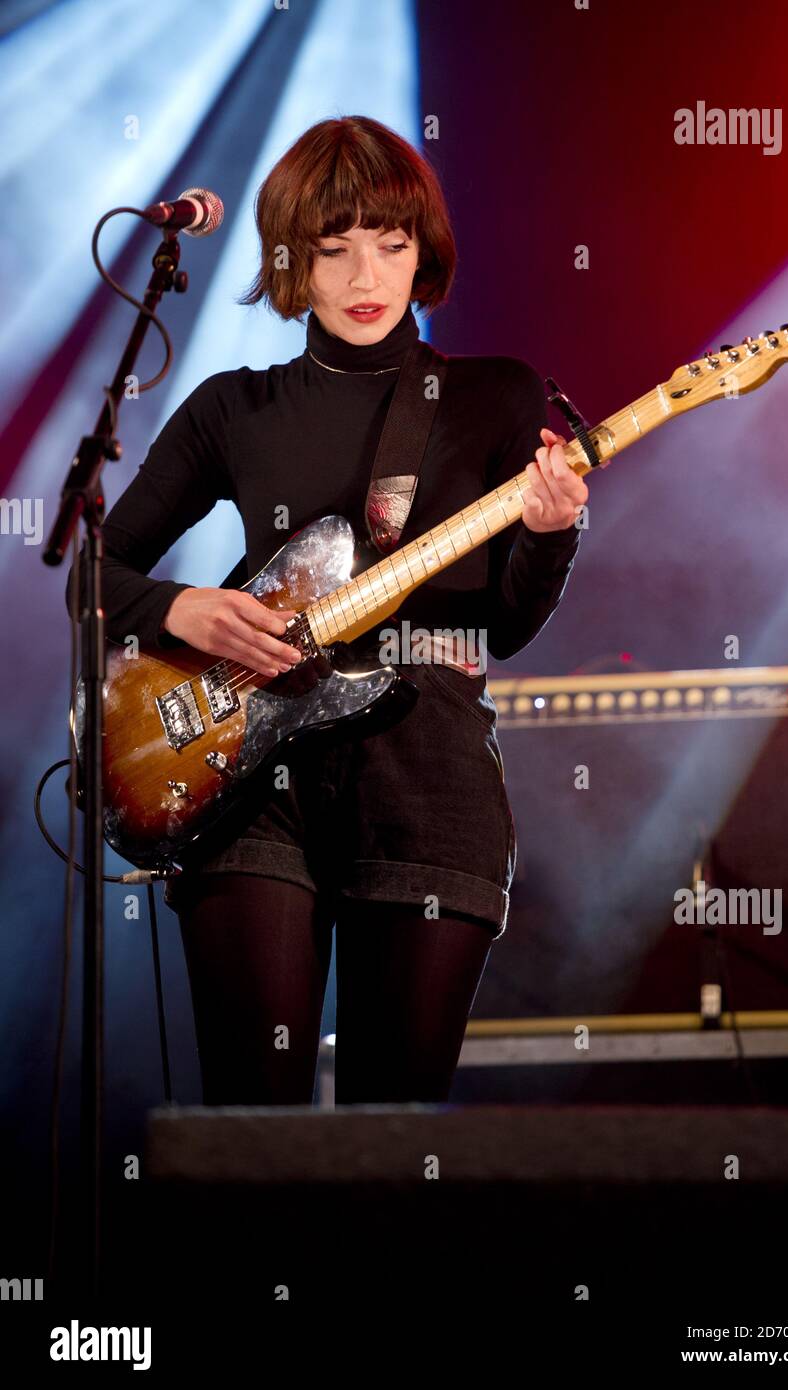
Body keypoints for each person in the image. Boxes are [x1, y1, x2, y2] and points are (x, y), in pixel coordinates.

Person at [67, 115, 587, 1107]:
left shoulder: (494, 396)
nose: (364, 275)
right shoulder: (234, 406)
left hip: (427, 773)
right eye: (333, 247)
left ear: (421, 251)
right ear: (290, 259)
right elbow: (93, 570)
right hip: (250, 770)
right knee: (252, 1123)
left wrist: (552, 529)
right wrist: (187, 613)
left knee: (391, 1138)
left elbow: (503, 629)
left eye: (390, 245)